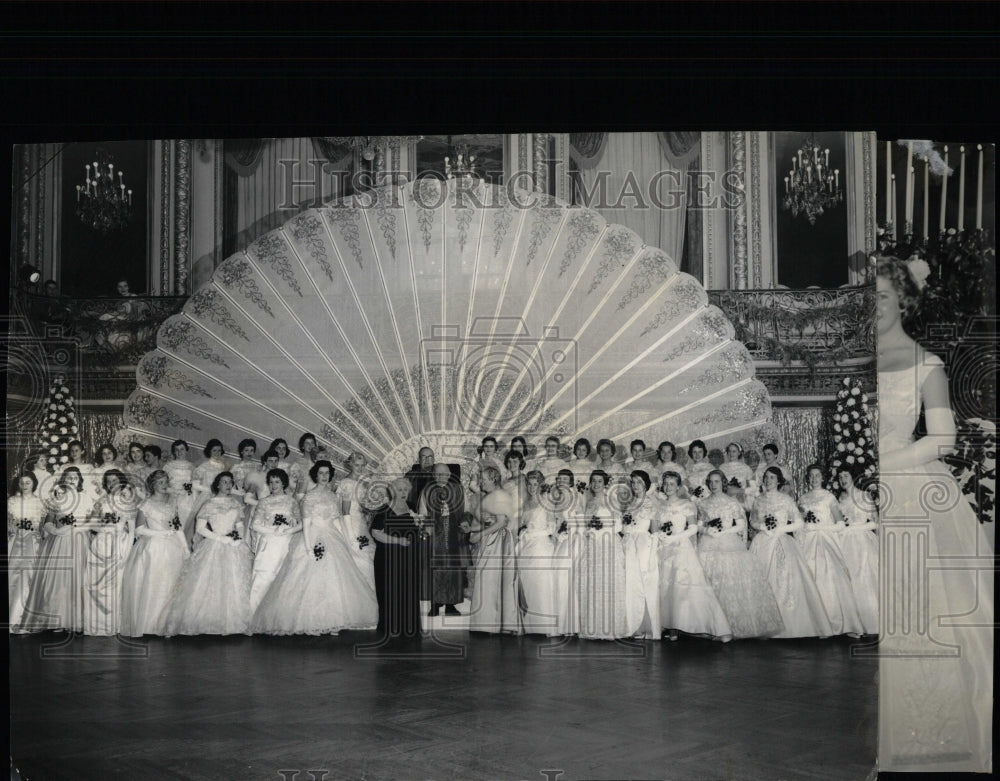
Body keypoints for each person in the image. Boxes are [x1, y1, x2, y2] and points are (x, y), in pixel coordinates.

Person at [875, 255, 993, 772]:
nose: (873, 307)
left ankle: (924, 734)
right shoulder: (856, 357)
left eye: (881, 297)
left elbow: (943, 439)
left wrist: (882, 465)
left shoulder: (927, 364)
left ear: (903, 301)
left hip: (908, 488)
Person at [252, 460, 377, 635]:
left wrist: (348, 540)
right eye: (321, 473)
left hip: (332, 535)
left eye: (327, 473)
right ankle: (313, 621)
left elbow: (336, 520)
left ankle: (334, 621)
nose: (324, 476)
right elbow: (306, 523)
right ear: (315, 475)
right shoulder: (309, 496)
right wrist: (309, 547)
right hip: (313, 535)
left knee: (334, 578)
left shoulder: (332, 496)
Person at [160, 472, 252, 636]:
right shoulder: (209, 504)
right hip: (214, 544)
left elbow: (239, 524)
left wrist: (238, 538)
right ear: (218, 484)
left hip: (234, 546)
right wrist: (221, 538)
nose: (228, 485)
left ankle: (230, 621)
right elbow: (200, 529)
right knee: (209, 582)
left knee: (234, 581)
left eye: (230, 482)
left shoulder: (235, 503)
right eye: (224, 482)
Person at [696, 470, 783, 639]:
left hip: (729, 542)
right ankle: (713, 626)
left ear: (723, 483)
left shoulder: (731, 502)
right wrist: (707, 530)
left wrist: (724, 531)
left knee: (729, 584)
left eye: (717, 481)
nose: (714, 485)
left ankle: (730, 627)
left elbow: (741, 524)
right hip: (708, 542)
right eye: (711, 482)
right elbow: (699, 524)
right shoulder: (703, 503)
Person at [749, 467, 833, 639]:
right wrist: (762, 527)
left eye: (772, 477)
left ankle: (788, 624)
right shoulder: (758, 500)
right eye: (766, 477)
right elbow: (753, 521)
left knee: (783, 580)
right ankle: (763, 624)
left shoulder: (786, 500)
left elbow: (799, 522)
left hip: (781, 541)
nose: (768, 480)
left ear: (778, 480)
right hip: (762, 541)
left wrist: (780, 529)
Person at [656, 470, 732, 642]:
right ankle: (671, 626)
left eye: (672, 484)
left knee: (682, 585)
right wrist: (661, 536)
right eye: (666, 484)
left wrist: (675, 537)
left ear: (678, 486)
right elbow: (656, 527)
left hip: (681, 547)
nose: (668, 487)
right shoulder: (659, 505)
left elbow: (693, 528)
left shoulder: (687, 504)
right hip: (663, 548)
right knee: (666, 587)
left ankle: (708, 626)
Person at [796, 464, 863, 637]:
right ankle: (817, 624)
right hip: (808, 541)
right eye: (811, 475)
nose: (814, 478)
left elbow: (840, 524)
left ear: (823, 477)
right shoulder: (802, 499)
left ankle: (838, 622)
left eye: (817, 475)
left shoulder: (829, 497)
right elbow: (800, 523)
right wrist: (804, 530)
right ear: (808, 478)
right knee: (809, 577)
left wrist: (820, 528)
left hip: (826, 539)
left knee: (829, 578)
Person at [119, 470, 188, 637]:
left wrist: (185, 547)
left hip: (173, 546)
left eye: (166, 482)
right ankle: (150, 624)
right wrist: (160, 533)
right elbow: (139, 529)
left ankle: (166, 624)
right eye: (160, 482)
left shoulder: (172, 503)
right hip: (153, 546)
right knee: (154, 583)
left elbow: (177, 526)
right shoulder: (146, 504)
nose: (164, 485)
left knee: (171, 584)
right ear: (153, 485)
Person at [81, 469, 137, 635]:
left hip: (119, 544)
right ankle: (95, 626)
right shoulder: (101, 502)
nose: (112, 484)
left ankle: (113, 625)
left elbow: (132, 531)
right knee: (96, 585)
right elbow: (92, 524)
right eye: (109, 481)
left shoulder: (128, 502)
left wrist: (126, 554)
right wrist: (104, 529)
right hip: (100, 544)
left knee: (115, 586)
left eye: (115, 480)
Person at [576, 469, 628, 639]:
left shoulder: (611, 500)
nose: (596, 484)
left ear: (605, 483)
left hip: (608, 544)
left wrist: (601, 530)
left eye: (599, 481)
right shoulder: (589, 502)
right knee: (593, 583)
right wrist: (589, 531)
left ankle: (611, 627)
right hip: (592, 545)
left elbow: (619, 526)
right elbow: (585, 525)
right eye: (594, 481)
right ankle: (594, 627)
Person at [370, 477, 423, 642]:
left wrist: (421, 529)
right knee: (390, 591)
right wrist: (397, 541)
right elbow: (375, 533)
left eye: (405, 490)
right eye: (399, 490)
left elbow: (416, 529)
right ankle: (391, 626)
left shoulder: (412, 507)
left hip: (409, 557)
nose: (403, 493)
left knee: (408, 590)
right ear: (392, 491)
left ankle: (408, 626)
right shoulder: (384, 509)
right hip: (387, 558)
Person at [469, 465, 520, 634]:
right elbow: (490, 521)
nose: (481, 482)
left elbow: (501, 522)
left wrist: (479, 535)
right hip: (493, 538)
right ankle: (488, 622)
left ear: (493, 480)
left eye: (483, 479)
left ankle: (491, 623)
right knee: (488, 580)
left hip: (497, 540)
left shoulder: (499, 496)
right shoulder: (493, 495)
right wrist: (472, 530)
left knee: (489, 578)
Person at [248, 468, 301, 613]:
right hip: (269, 543)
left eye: (277, 482)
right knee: (264, 576)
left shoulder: (292, 501)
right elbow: (255, 525)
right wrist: (274, 531)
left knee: (284, 577)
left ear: (283, 483)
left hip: (287, 542)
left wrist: (288, 530)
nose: (273, 485)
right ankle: (255, 613)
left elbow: (301, 523)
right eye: (271, 482)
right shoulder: (264, 502)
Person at [834, 468, 878, 636]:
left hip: (862, 542)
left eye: (846, 475)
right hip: (845, 542)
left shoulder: (864, 496)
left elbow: (875, 523)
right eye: (840, 477)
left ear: (853, 477)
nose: (843, 479)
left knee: (864, 577)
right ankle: (855, 624)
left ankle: (872, 622)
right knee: (849, 581)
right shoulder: (839, 500)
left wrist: (854, 528)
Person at [515, 470, 558, 636]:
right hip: (527, 545)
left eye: (535, 484)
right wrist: (523, 533)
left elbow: (552, 528)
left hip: (540, 545)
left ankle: (543, 625)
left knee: (540, 583)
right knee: (527, 582)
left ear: (540, 485)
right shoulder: (525, 504)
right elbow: (523, 525)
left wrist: (532, 533)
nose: (532, 487)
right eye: (529, 484)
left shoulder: (546, 502)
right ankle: (529, 625)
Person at [619, 470, 661, 639]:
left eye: (639, 482)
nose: (635, 486)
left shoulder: (652, 503)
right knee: (629, 584)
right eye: (633, 482)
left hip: (643, 545)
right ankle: (632, 624)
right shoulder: (629, 504)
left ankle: (644, 625)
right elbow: (624, 528)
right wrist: (626, 529)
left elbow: (655, 531)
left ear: (646, 484)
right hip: (628, 544)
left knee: (642, 584)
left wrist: (652, 555)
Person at [419, 463, 465, 617]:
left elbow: (466, 511)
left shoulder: (458, 490)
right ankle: (435, 604)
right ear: (433, 475)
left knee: (453, 569)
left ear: (449, 474)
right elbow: (422, 513)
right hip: (435, 537)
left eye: (444, 474)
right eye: (437, 474)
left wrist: (465, 523)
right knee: (436, 569)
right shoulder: (427, 490)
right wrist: (426, 526)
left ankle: (451, 605)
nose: (441, 477)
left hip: (454, 535)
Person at [8, 473, 46, 633]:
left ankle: (24, 619)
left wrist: (39, 531)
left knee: (28, 576)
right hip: (15, 541)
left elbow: (42, 525)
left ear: (34, 484)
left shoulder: (40, 502)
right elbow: (10, 523)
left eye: (28, 482)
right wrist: (11, 526)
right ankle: (11, 618)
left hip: (32, 541)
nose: (24, 485)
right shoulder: (12, 501)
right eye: (21, 482)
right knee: (12, 576)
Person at [163, 439, 197, 546]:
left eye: (182, 449)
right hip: (172, 497)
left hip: (188, 499)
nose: (179, 452)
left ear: (186, 450)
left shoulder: (192, 467)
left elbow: (195, 484)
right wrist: (173, 491)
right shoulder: (168, 466)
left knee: (186, 524)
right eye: (176, 450)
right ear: (174, 452)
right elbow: (163, 484)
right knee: (172, 524)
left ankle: (186, 548)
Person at [405, 446, 436, 512]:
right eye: (424, 457)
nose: (427, 460)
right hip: (413, 513)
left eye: (430, 457)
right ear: (419, 459)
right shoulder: (410, 476)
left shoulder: (440, 474)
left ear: (433, 459)